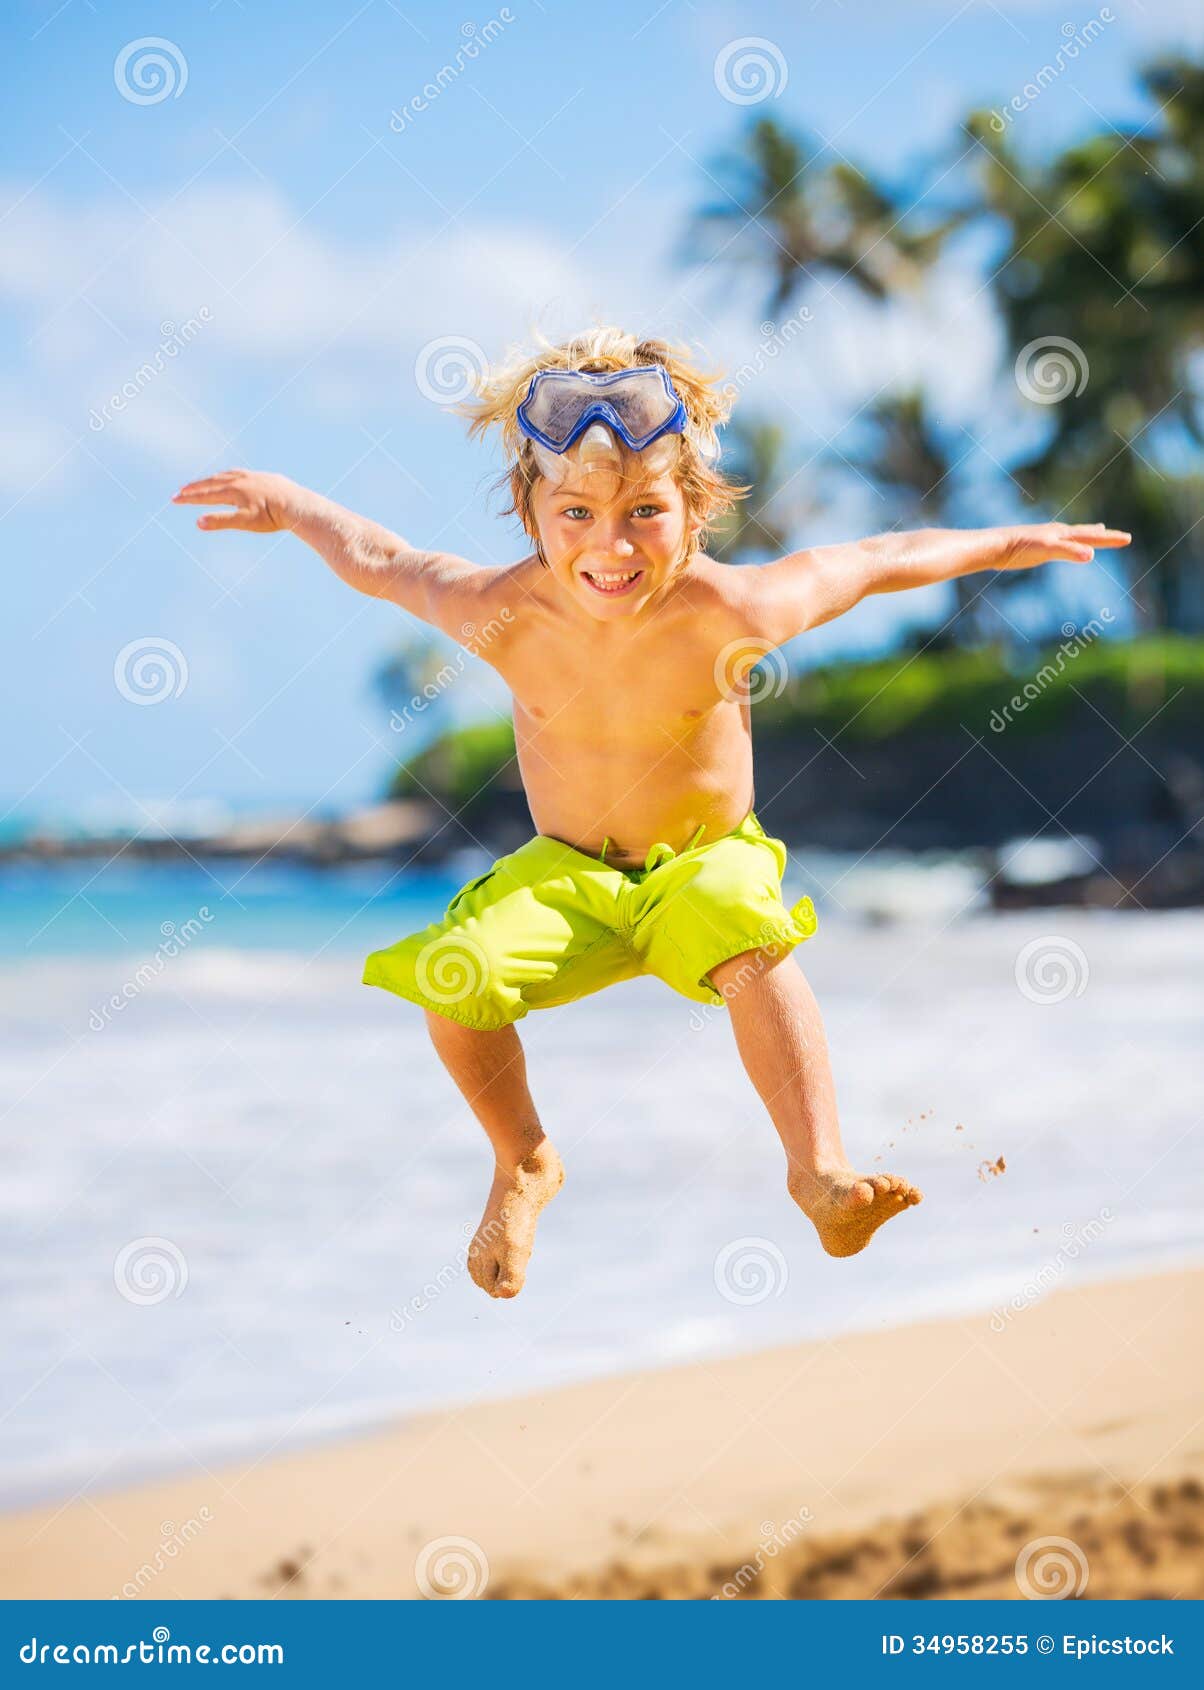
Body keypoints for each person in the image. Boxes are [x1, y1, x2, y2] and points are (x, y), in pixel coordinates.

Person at [174, 326, 1131, 1300]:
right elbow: (381, 558)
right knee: (450, 984)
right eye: (578, 511)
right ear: (531, 508)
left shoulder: (734, 609)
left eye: (644, 511)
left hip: (703, 862)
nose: (610, 542)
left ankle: (821, 1175)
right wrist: (291, 507)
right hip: (570, 877)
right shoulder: (499, 610)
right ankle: (524, 1159)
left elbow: (878, 557)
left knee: (747, 936)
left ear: (695, 506)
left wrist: (1005, 544)